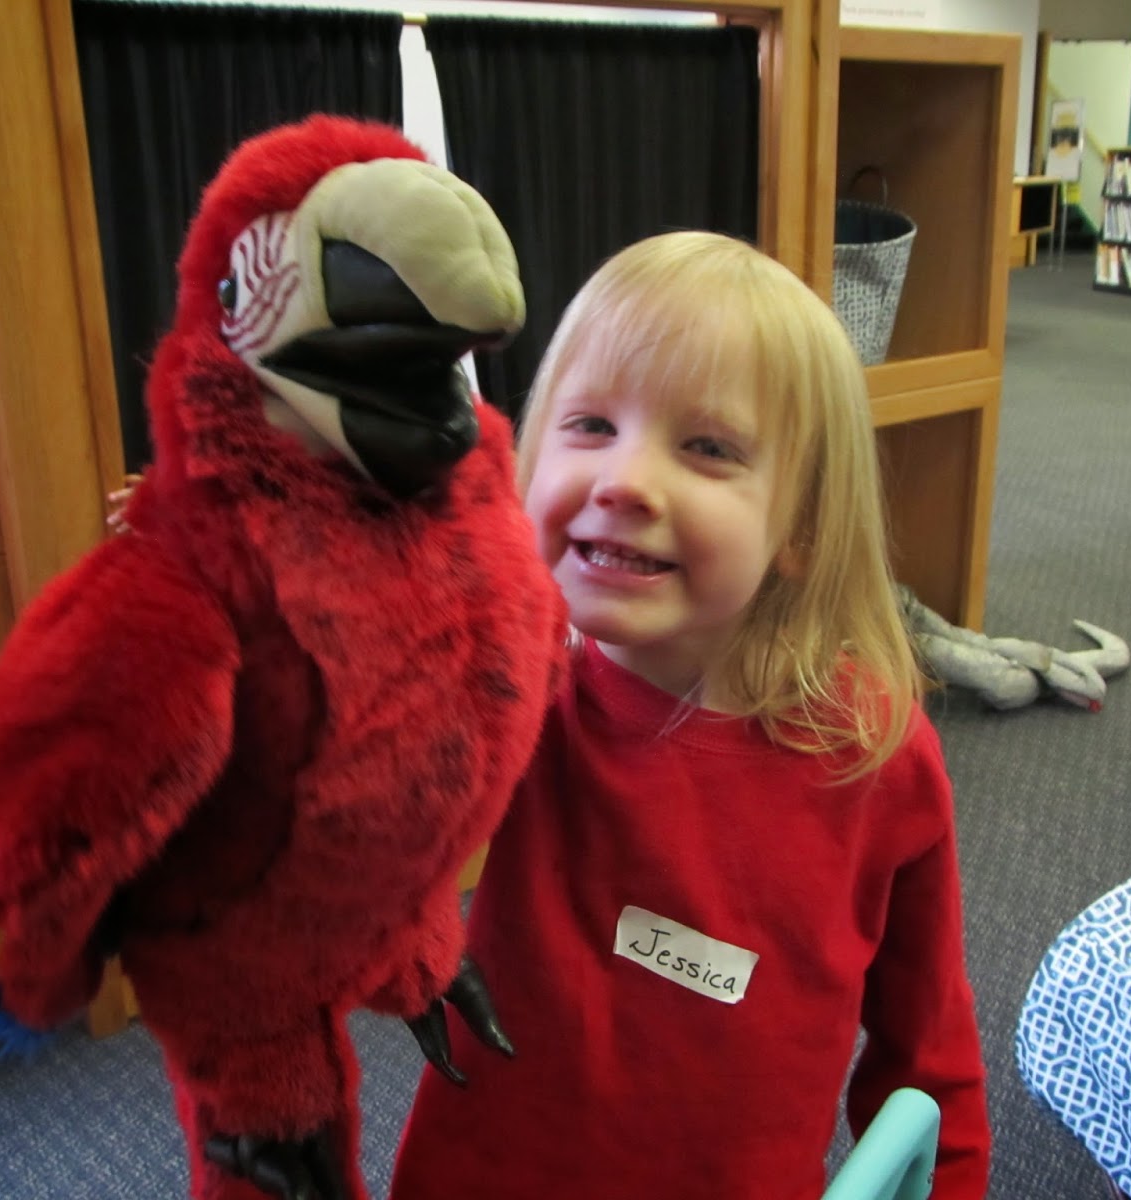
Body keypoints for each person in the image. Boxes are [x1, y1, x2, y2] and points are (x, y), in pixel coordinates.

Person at [387, 231, 990, 1200]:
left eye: (705, 447)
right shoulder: (509, 688)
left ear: (798, 525)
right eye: (588, 426)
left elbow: (927, 1060)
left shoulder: (874, 758)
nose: (624, 481)